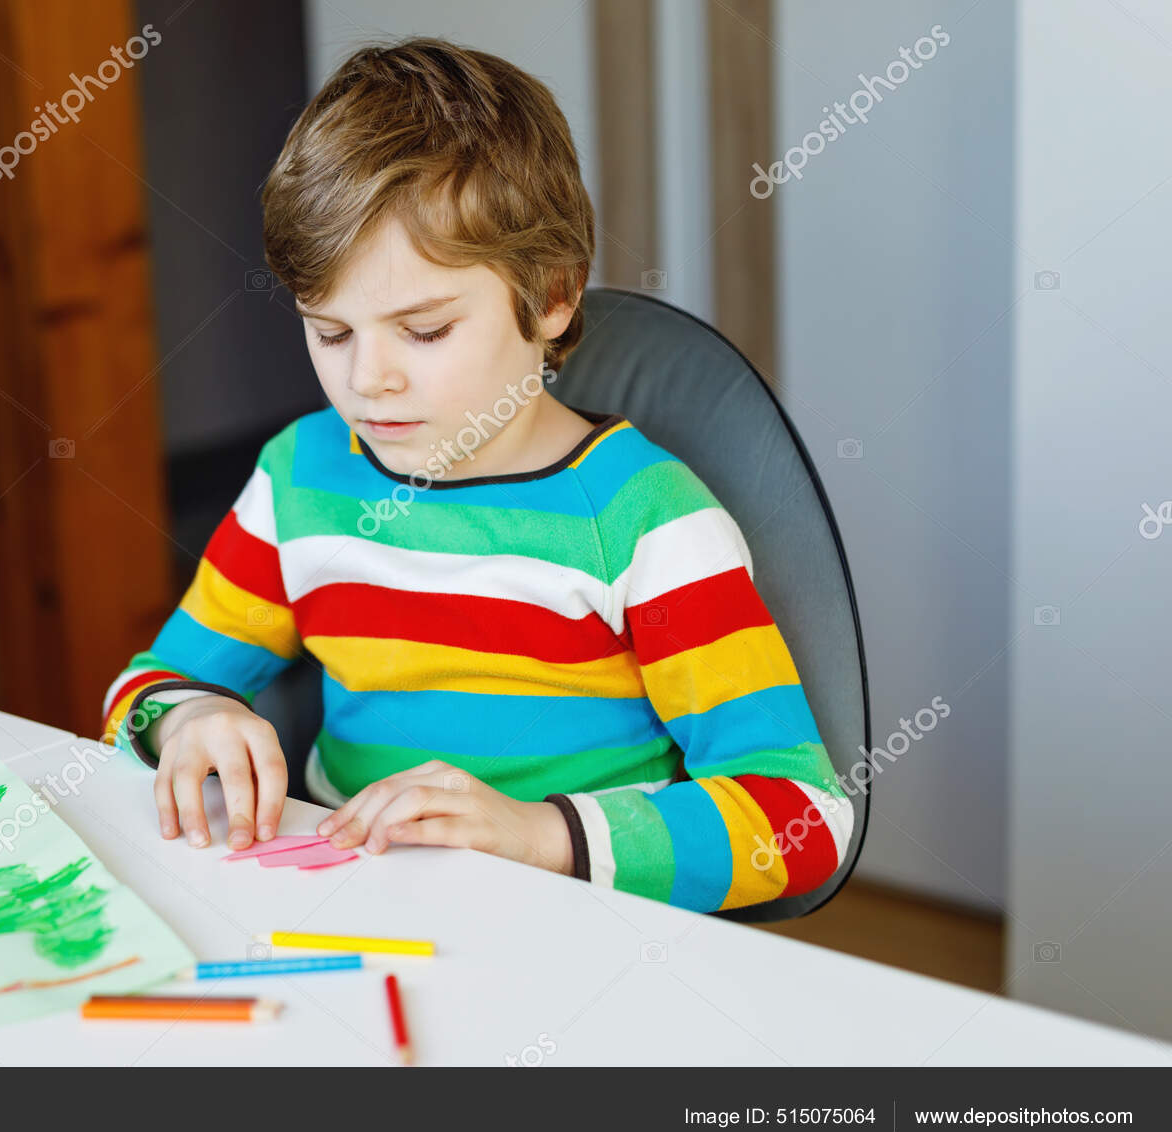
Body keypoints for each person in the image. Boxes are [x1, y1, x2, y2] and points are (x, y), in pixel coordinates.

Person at [103, 37, 851, 911]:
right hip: (348, 910)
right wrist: (192, 716)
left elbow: (805, 817)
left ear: (553, 296)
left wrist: (537, 835)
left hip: (577, 936)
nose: (367, 378)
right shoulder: (298, 479)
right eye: (331, 332)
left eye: (423, 330)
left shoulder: (644, 519)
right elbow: (145, 687)